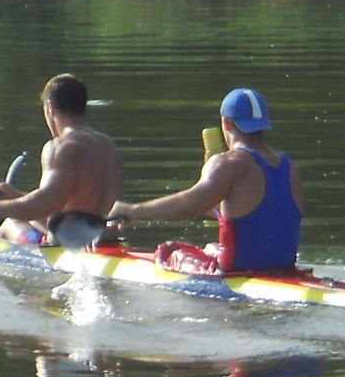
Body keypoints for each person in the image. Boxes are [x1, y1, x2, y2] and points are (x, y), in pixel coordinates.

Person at [109, 87, 302, 274]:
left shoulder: (228, 163)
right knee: (211, 247)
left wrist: (133, 210)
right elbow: (262, 215)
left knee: (169, 251)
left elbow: (189, 205)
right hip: (284, 269)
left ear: (226, 123)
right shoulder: (288, 167)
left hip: (237, 272)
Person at [0, 74, 124, 244]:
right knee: (25, 218)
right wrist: (15, 196)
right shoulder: (108, 146)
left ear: (50, 108)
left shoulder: (61, 146)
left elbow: (46, 204)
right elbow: (66, 203)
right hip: (107, 242)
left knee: (9, 223)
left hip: (67, 246)